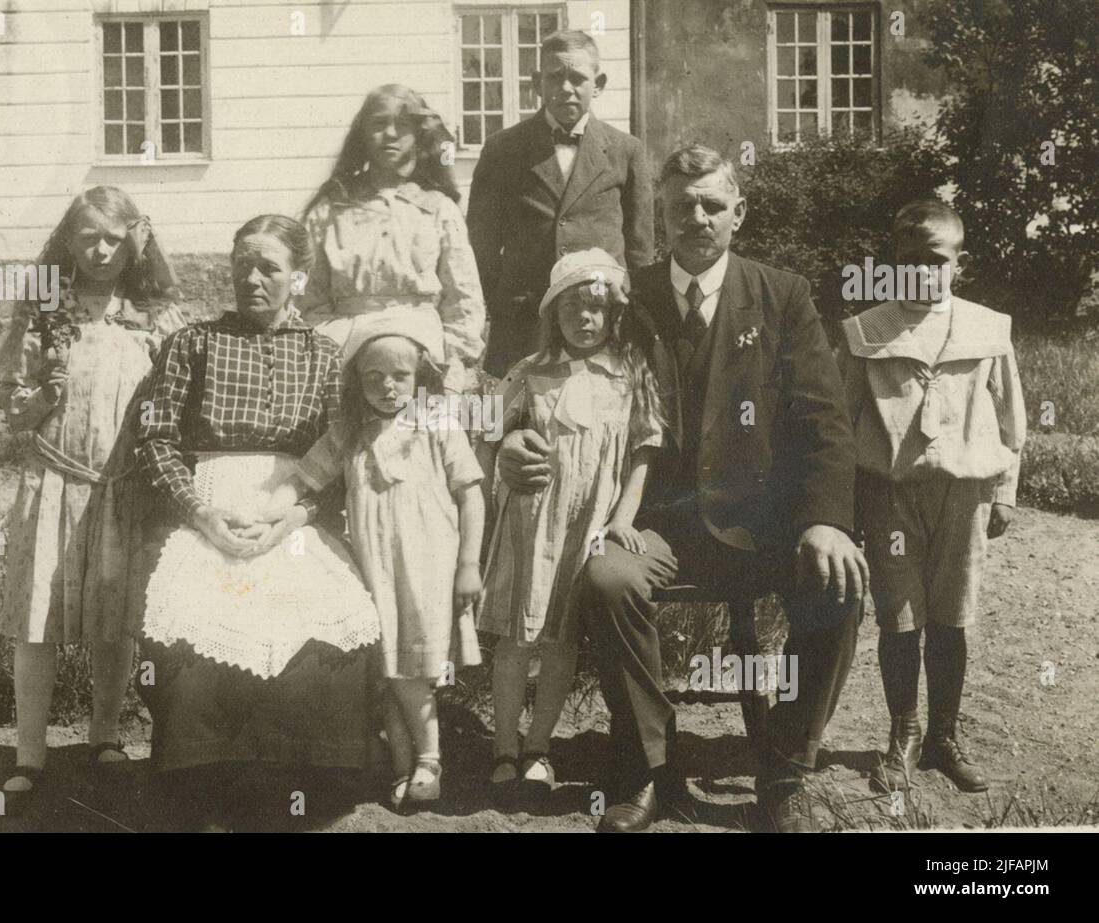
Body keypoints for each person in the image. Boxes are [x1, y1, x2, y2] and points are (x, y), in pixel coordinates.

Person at [496, 144, 868, 832]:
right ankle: (648, 768)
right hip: (656, 518)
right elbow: (548, 366)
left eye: (711, 204)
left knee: (838, 578)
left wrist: (826, 520)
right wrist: (509, 437)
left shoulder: (781, 295)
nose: (696, 218)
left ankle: (786, 767)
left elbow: (826, 421)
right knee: (607, 580)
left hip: (764, 521)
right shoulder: (627, 297)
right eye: (680, 206)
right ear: (661, 215)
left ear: (739, 213)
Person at [134, 214, 381, 831]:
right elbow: (157, 438)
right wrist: (198, 511)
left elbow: (341, 455)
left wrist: (296, 517)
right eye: (242, 263)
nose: (252, 277)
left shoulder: (327, 357)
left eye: (269, 266)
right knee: (195, 625)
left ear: (299, 278)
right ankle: (212, 778)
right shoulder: (193, 343)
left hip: (292, 514)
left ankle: (299, 779)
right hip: (208, 507)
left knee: (321, 622)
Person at [0, 185, 187, 815]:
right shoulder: (45, 310)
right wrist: (41, 398)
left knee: (115, 617)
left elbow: (185, 395)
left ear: (135, 239)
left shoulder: (154, 313)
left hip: (123, 488)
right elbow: (11, 410)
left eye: (113, 237)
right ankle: (29, 753)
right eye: (87, 238)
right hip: (53, 484)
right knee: (37, 619)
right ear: (68, 241)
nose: (101, 251)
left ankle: (104, 737)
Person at [262, 313, 486, 811]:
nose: (388, 387)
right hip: (372, 569)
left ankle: (430, 759)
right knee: (385, 669)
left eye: (400, 377)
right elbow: (304, 478)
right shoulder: (349, 432)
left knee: (412, 670)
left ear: (420, 377)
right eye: (374, 377)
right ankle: (405, 768)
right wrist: (265, 511)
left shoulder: (437, 424)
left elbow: (472, 496)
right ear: (356, 381)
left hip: (426, 568)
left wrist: (469, 563)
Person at [840, 199, 1026, 796]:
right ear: (892, 262)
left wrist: (1005, 492)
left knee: (951, 617)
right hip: (890, 497)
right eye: (908, 258)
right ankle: (905, 733)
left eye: (936, 259)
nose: (922, 269)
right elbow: (844, 423)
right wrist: (844, 508)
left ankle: (945, 736)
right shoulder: (868, 330)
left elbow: (1011, 417)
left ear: (958, 264)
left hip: (964, 494)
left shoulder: (988, 327)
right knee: (899, 620)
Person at [477, 249, 665, 801]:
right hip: (528, 527)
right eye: (572, 310)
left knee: (559, 642)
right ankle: (503, 748)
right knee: (515, 642)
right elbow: (487, 438)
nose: (585, 320)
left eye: (596, 311)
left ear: (613, 316)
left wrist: (621, 520)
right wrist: (498, 484)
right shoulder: (529, 373)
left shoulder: (630, 376)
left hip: (587, 531)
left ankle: (539, 746)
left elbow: (643, 454)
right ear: (552, 314)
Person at [467, 29, 654, 379]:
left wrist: (633, 315)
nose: (566, 88)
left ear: (597, 84)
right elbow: (482, 249)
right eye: (555, 77)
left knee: (600, 417)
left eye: (578, 78)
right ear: (537, 82)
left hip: (600, 319)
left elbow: (641, 252)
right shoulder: (502, 149)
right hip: (524, 323)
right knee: (504, 420)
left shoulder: (627, 151)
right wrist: (499, 309)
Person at [300, 84, 485, 393]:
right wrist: (325, 344)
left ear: (419, 135)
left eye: (402, 124)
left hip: (422, 341)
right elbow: (305, 291)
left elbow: (463, 295)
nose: (390, 134)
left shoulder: (439, 208)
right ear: (361, 133)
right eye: (378, 123)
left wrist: (455, 359)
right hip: (346, 340)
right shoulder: (332, 208)